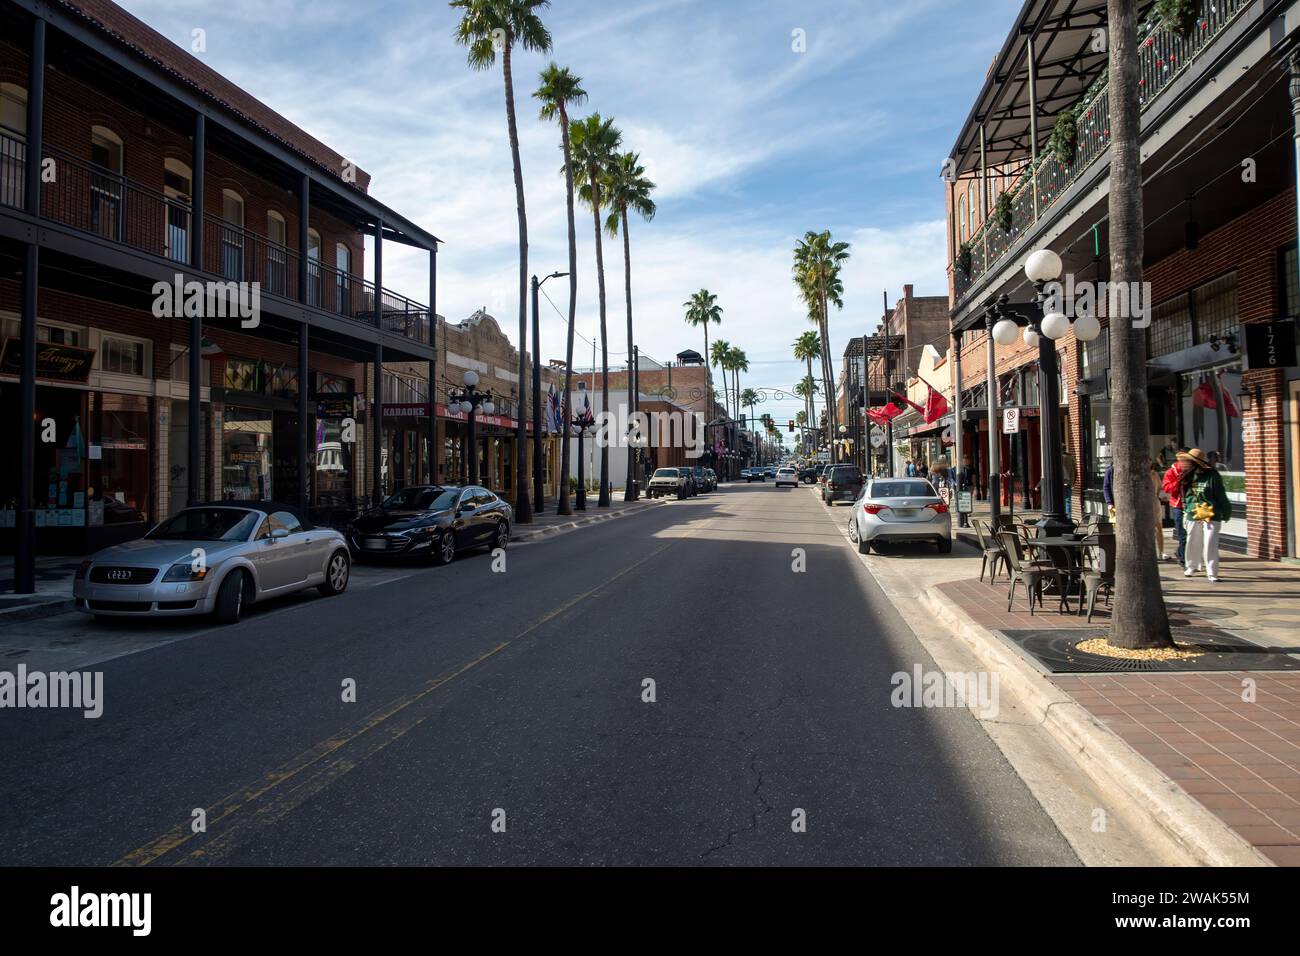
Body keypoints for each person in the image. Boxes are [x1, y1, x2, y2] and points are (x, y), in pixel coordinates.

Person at [1179, 447, 1231, 582]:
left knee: (1210, 543)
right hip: (1193, 514)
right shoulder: (1188, 476)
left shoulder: (1212, 475)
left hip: (1212, 514)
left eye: (1189, 461)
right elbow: (1186, 495)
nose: (1186, 463)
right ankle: (1191, 566)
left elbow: (1221, 496)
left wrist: (1226, 513)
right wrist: (1187, 509)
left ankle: (1212, 572)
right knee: (1192, 541)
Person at [1162, 449, 1193, 568]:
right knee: (1182, 534)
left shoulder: (1193, 471)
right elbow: (1166, 488)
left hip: (1191, 506)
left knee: (1190, 535)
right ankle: (1183, 559)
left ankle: (1181, 553)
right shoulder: (1171, 472)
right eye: (1184, 460)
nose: (1187, 463)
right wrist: (1178, 482)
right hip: (1178, 506)